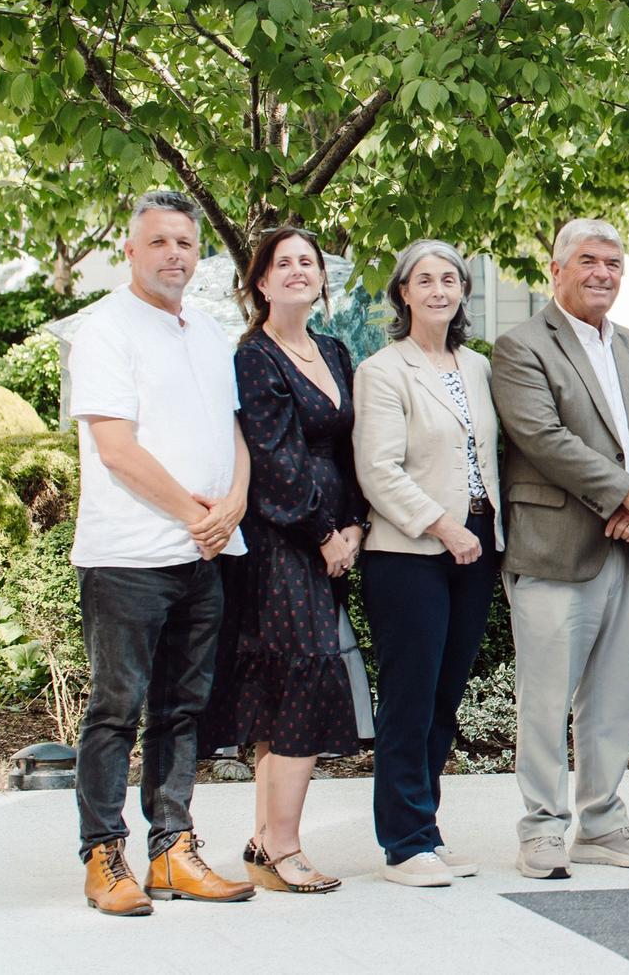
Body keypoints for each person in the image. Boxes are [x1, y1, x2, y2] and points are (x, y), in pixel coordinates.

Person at [69, 190, 257, 915]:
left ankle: (172, 851)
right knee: (116, 708)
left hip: (202, 555)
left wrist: (233, 503)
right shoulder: (106, 330)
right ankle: (103, 856)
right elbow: (115, 447)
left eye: (185, 242)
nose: (174, 254)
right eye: (159, 242)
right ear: (130, 250)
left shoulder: (208, 330)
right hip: (127, 556)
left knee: (182, 709)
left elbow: (230, 431)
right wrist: (195, 514)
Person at [491, 219, 629, 881]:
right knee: (545, 701)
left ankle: (601, 823)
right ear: (556, 268)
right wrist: (626, 494)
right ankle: (541, 829)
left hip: (625, 550)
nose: (603, 273)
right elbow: (542, 437)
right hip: (553, 548)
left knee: (614, 698)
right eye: (588, 261)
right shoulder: (519, 346)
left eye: (614, 263)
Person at [201, 227, 371, 895]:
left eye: (308, 261)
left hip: (334, 536)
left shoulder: (334, 349)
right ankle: (285, 846)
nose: (298, 270)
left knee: (286, 684)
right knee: (302, 674)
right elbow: (271, 459)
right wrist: (323, 530)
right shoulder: (255, 357)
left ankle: (263, 840)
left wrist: (355, 522)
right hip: (280, 542)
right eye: (283, 263)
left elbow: (352, 447)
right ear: (260, 282)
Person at [354, 240, 504, 888]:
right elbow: (377, 469)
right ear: (404, 293)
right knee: (410, 699)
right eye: (425, 280)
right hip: (411, 551)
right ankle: (403, 841)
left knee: (445, 698)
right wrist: (444, 526)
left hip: (478, 544)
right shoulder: (384, 370)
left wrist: (478, 530)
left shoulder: (477, 367)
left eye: (450, 279)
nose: (439, 289)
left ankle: (427, 830)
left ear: (464, 292)